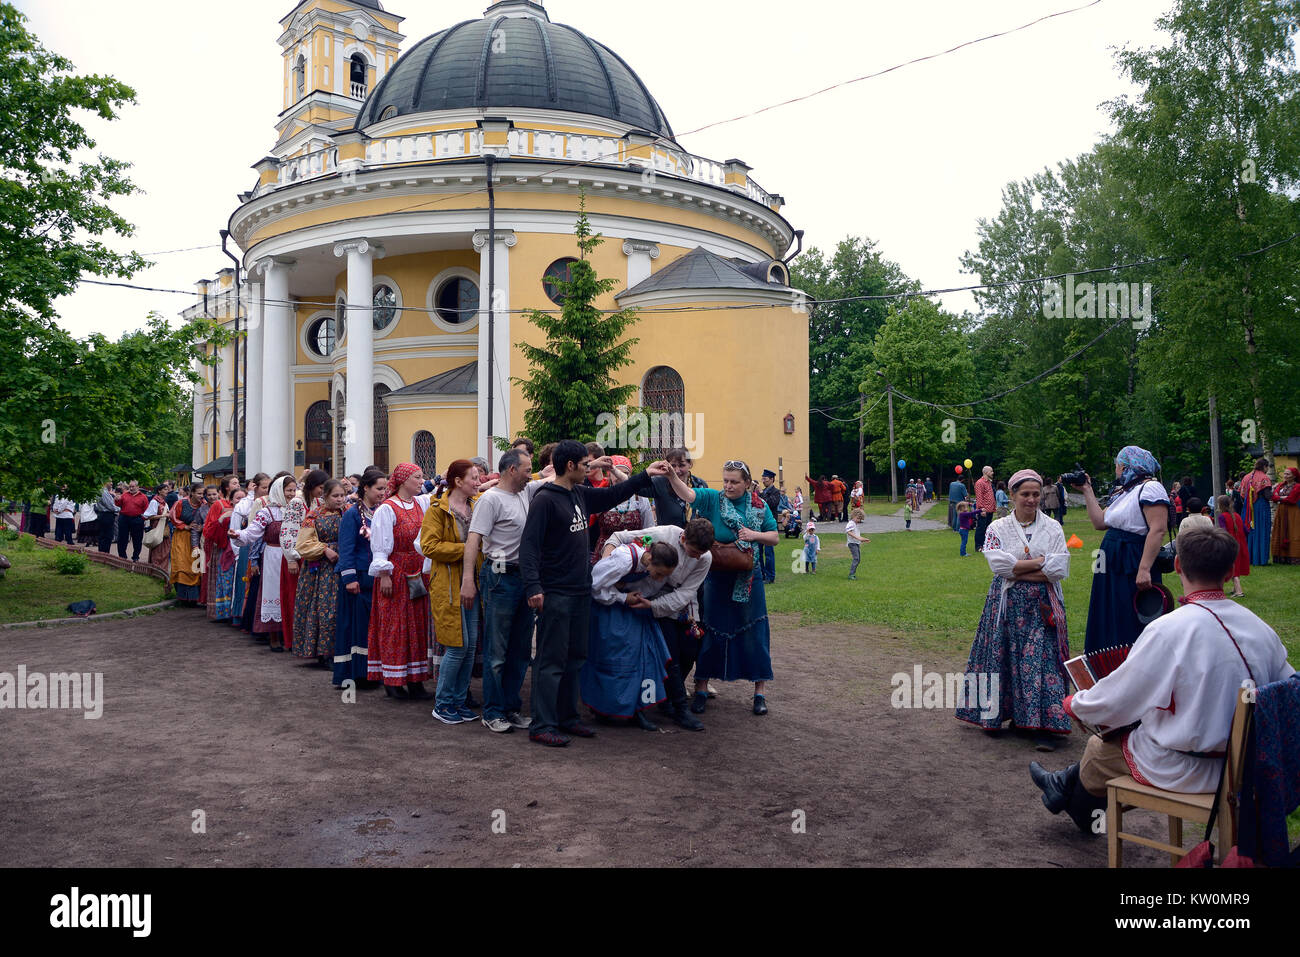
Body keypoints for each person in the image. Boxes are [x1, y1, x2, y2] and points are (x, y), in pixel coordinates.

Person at [1030, 525, 1295, 833]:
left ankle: (1077, 807)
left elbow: (1120, 697)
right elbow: (1288, 689)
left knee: (1099, 750)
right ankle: (1061, 787)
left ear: (1178, 565)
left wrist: (1076, 703)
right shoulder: (1262, 629)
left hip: (1189, 768)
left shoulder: (1169, 630)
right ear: (1229, 571)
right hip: (1249, 765)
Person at [519, 441, 667, 746]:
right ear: (570, 466)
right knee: (551, 661)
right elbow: (530, 547)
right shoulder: (546, 500)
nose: (590, 468)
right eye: (585, 464)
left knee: (575, 658)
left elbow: (612, 494)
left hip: (579, 590)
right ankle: (543, 725)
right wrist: (533, 586)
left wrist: (643, 475)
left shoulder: (578, 494)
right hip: (556, 592)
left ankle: (567, 718)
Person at [955, 470, 1072, 751]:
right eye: (1025, 494)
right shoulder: (998, 528)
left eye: (1036, 494)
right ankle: (999, 716)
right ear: (1013, 496)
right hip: (1006, 604)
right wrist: (1039, 563)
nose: (1032, 500)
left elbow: (1059, 569)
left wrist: (1018, 569)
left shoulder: (1053, 528)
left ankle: (1043, 725)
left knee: (1042, 662)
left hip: (1043, 606)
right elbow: (999, 566)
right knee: (1002, 656)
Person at [664, 459, 778, 716]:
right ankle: (702, 687)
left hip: (749, 579)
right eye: (725, 480)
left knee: (755, 631)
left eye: (734, 482)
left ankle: (759, 692)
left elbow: (774, 538)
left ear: (747, 484)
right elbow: (689, 494)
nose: (728, 485)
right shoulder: (713, 499)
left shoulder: (760, 506)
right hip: (715, 577)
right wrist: (673, 477)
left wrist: (753, 535)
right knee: (710, 630)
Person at [462, 448, 549, 733]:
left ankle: (511, 708)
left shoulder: (526, 491)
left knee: (521, 649)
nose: (530, 473)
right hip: (499, 578)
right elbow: (474, 540)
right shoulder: (490, 500)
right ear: (512, 470)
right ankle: (494, 711)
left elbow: (552, 477)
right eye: (527, 469)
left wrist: (594, 462)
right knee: (497, 650)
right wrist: (468, 580)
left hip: (525, 578)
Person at [604, 519, 714, 731]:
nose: (697, 558)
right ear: (682, 539)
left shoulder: (704, 558)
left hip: (678, 604)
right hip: (647, 595)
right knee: (670, 653)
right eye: (693, 552)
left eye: (701, 553)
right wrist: (608, 566)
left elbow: (685, 593)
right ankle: (681, 709)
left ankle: (666, 698)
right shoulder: (665, 534)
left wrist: (653, 606)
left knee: (690, 651)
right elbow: (619, 537)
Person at [1072, 446, 1169, 655]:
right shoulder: (1125, 490)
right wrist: (1087, 490)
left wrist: (1144, 569)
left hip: (1131, 557)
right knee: (1108, 609)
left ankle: (1132, 663)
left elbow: (1158, 529)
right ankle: (1108, 660)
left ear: (1125, 466)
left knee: (1128, 611)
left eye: (1117, 464)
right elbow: (1099, 522)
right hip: (1111, 557)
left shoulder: (1150, 488)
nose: (1116, 469)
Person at [582, 540, 679, 729]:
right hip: (608, 610)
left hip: (634, 609)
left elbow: (649, 586)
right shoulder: (624, 560)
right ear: (649, 558)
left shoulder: (649, 565)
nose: (659, 579)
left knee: (644, 658)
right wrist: (622, 597)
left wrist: (634, 595)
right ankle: (602, 708)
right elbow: (594, 585)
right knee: (612, 660)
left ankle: (637, 709)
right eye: (658, 573)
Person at [420, 459, 484, 724]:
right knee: (457, 646)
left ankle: (458, 701)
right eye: (474, 478)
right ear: (458, 481)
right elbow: (429, 546)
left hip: (473, 581)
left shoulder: (475, 505)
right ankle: (443, 703)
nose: (478, 482)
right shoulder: (437, 510)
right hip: (447, 583)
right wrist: (467, 549)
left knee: (469, 648)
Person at [368, 463, 435, 700]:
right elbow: (380, 545)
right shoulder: (387, 509)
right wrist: (384, 574)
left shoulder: (421, 503)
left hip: (417, 571)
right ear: (404, 480)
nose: (421, 480)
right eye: (417, 477)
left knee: (417, 624)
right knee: (395, 625)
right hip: (395, 572)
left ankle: (416, 680)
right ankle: (393, 679)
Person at [335, 468, 385, 689]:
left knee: (375, 626)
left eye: (385, 488)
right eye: (379, 489)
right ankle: (357, 673)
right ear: (366, 488)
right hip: (359, 578)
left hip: (376, 577)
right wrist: (349, 578)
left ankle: (376, 670)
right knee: (357, 627)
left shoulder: (383, 511)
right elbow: (346, 548)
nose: (383, 493)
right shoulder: (352, 514)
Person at [237, 475, 296, 652]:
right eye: (288, 490)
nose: (292, 494)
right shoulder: (267, 512)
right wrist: (239, 535)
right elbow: (253, 533)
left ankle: (292, 636)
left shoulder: (297, 511)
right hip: (273, 556)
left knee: (291, 593)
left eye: (294, 490)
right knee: (273, 593)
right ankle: (274, 636)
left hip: (293, 557)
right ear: (279, 491)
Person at [293, 478, 346, 666]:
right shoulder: (313, 516)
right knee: (324, 608)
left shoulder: (349, 513)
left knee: (341, 608)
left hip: (344, 566)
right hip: (321, 570)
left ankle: (342, 650)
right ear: (325, 496)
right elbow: (303, 544)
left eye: (342, 495)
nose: (340, 499)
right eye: (335, 496)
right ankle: (325, 653)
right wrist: (324, 549)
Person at [282, 469, 328, 646]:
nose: (322, 491)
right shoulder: (296, 502)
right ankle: (295, 640)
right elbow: (288, 530)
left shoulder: (318, 501)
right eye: (320, 487)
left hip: (311, 553)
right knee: (296, 598)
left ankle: (308, 641)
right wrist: (291, 558)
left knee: (310, 600)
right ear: (312, 486)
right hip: (296, 556)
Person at [229, 472, 269, 629]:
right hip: (246, 546)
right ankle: (240, 616)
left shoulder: (269, 502)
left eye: (268, 487)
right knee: (243, 581)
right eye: (264, 487)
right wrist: (237, 551)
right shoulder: (244, 505)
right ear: (256, 487)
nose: (266, 490)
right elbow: (235, 527)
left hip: (262, 547)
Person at [203, 476, 240, 623]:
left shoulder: (242, 504)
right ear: (226, 487)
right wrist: (222, 519)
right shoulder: (219, 505)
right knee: (222, 578)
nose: (238, 484)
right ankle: (220, 611)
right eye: (234, 483)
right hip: (222, 546)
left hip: (237, 547)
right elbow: (208, 529)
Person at [168, 484, 205, 606]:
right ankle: (182, 596)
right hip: (182, 537)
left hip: (197, 539)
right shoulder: (181, 503)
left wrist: (201, 527)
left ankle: (195, 597)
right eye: (199, 493)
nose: (201, 496)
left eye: (202, 493)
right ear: (192, 493)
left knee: (196, 565)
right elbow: (172, 516)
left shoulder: (204, 505)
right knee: (182, 564)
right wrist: (185, 526)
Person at [1239, 458, 1273, 566]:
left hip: (1248, 508)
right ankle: (1261, 559)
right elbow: (1267, 496)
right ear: (1265, 467)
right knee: (1262, 531)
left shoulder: (1246, 477)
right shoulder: (1264, 478)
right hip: (1261, 507)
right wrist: (1276, 495)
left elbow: (1241, 495)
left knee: (1250, 532)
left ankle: (1250, 559)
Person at [1215, 494, 1250, 598]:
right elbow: (1246, 531)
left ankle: (1239, 591)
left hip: (1230, 545)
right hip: (1241, 544)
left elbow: (1224, 532)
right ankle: (1235, 589)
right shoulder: (1237, 516)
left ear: (1220, 505)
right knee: (1237, 566)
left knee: (1232, 569)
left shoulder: (1222, 517)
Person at [1270, 466, 1300, 564]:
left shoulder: (1297, 486)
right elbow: (1273, 497)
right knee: (1280, 531)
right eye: (1285, 473)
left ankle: (1293, 557)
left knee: (1293, 531)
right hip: (1281, 511)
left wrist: (1279, 498)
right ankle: (1281, 557)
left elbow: (1292, 499)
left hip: (1292, 512)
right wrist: (1282, 498)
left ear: (1294, 476)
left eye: (1288, 474)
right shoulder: (1281, 485)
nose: (1285, 476)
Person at [115, 480, 149, 561]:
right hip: (124, 518)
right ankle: (122, 556)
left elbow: (146, 510)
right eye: (130, 486)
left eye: (133, 486)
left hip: (137, 519)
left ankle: (135, 557)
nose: (131, 488)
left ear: (137, 487)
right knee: (122, 538)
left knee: (137, 539)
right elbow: (118, 504)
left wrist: (142, 519)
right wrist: (117, 499)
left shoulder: (143, 497)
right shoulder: (125, 494)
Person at [758, 470, 783, 585]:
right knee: (758, 552)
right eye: (762, 479)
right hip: (759, 525)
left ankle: (770, 576)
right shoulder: (761, 492)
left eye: (765, 479)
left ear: (772, 479)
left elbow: (770, 503)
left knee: (768, 553)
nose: (763, 481)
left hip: (769, 526)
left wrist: (760, 493)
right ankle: (761, 574)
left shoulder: (776, 492)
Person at [974, 466, 995, 551]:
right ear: (986, 472)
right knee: (981, 528)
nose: (992, 473)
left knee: (987, 529)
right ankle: (978, 546)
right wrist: (981, 509)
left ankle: (985, 544)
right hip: (983, 510)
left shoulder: (989, 482)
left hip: (990, 510)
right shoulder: (980, 483)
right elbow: (979, 497)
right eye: (991, 471)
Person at [845, 508, 868, 579]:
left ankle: (852, 574)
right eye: (858, 518)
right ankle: (851, 574)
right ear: (853, 516)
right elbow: (848, 531)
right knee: (856, 558)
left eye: (860, 519)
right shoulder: (851, 523)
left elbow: (857, 534)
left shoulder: (855, 524)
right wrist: (858, 538)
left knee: (858, 559)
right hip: (852, 543)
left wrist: (863, 539)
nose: (859, 521)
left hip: (856, 543)